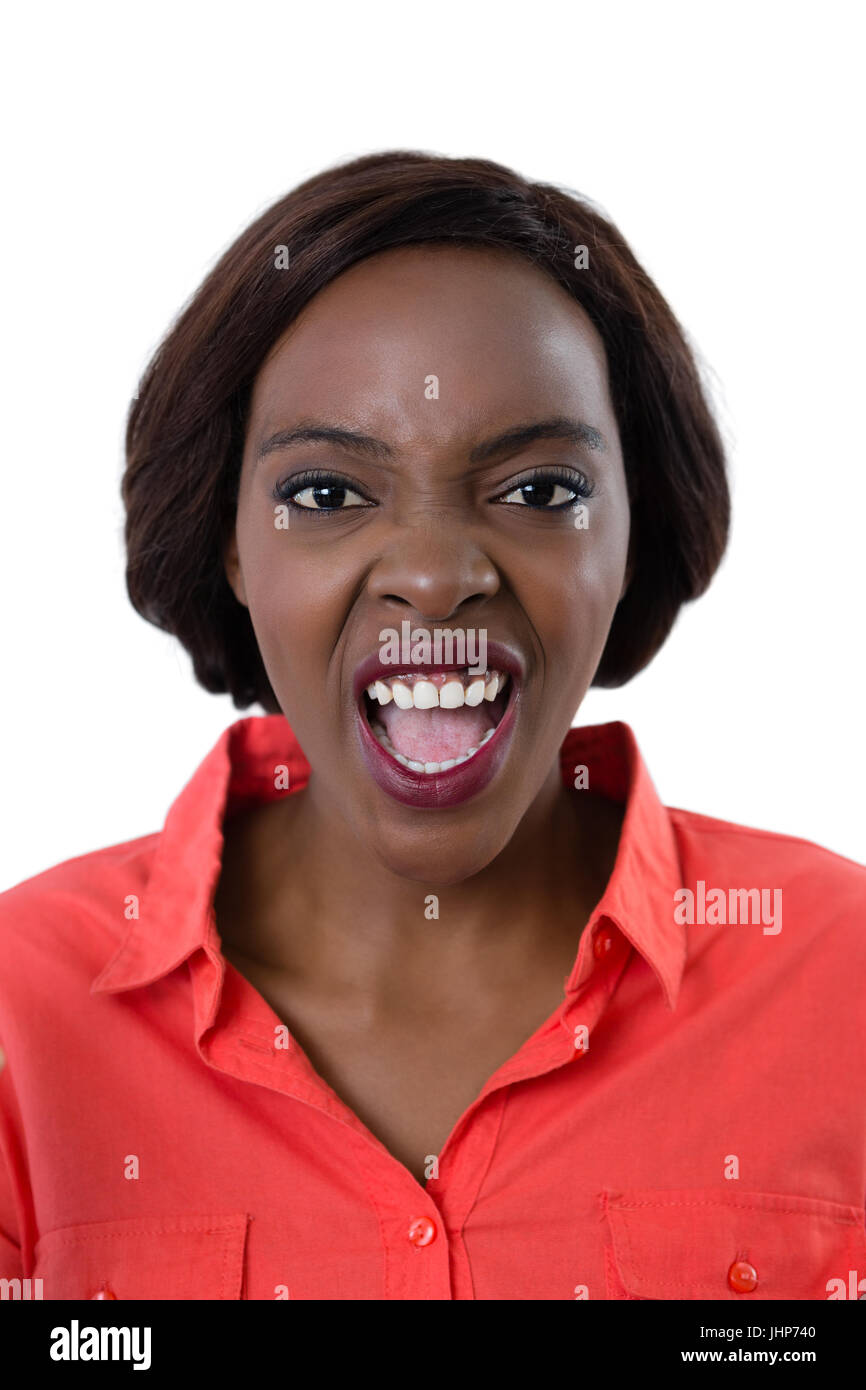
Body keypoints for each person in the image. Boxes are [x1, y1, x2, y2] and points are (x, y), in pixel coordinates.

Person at [1, 151, 864, 1302]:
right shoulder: (22, 1012)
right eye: (325, 493)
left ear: (631, 534)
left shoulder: (837, 980)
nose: (433, 574)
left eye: (540, 490)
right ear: (228, 544)